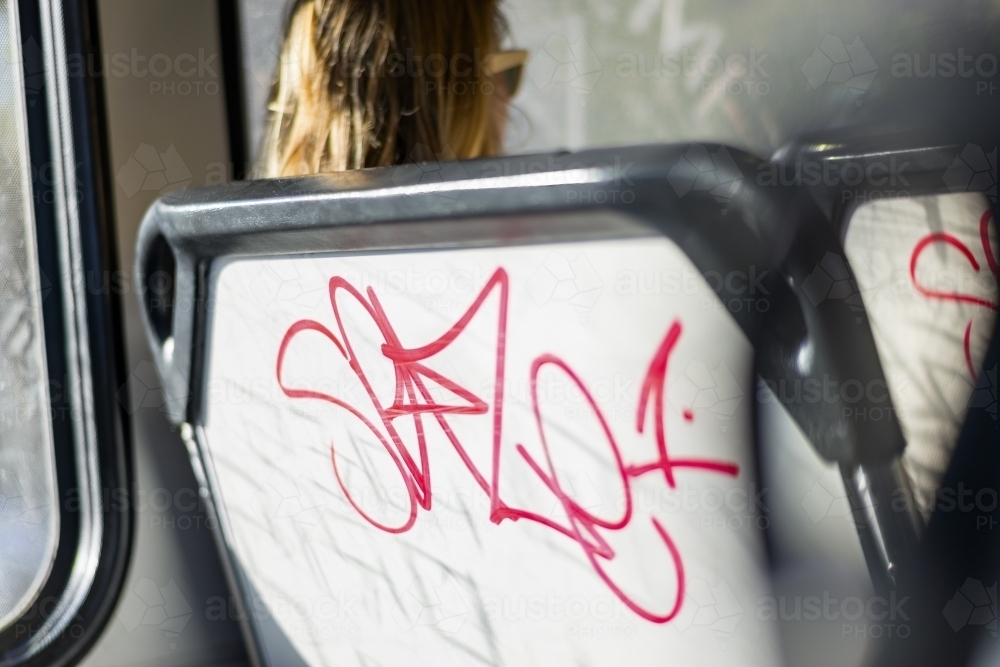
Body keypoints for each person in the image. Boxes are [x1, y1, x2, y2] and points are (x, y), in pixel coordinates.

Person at [259, 0, 526, 178]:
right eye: (508, 70)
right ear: (462, 96)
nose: (510, 98)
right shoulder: (502, 239)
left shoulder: (265, 239)